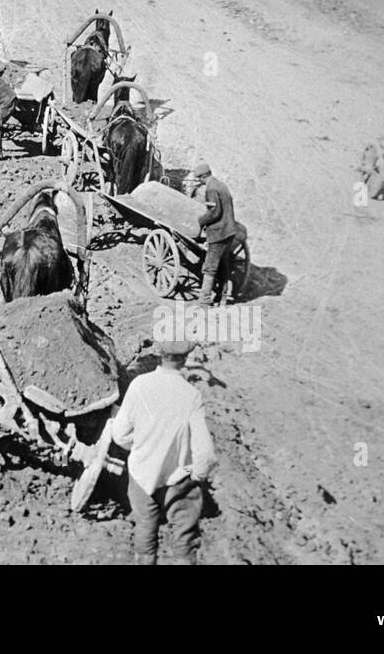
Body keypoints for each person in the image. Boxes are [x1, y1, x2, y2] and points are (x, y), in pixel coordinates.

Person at [109, 340, 216, 565]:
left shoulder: (139, 385)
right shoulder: (191, 395)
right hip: (178, 479)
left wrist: (138, 448)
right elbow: (204, 451)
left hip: (141, 475)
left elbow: (119, 434)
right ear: (186, 359)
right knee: (183, 540)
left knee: (145, 531)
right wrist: (198, 475)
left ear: (159, 355)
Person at [192, 161, 239, 307]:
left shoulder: (211, 189)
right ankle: (223, 297)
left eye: (199, 178)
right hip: (229, 231)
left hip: (218, 233)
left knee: (210, 266)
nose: (199, 182)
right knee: (224, 265)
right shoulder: (221, 185)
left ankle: (205, 300)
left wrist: (200, 221)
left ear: (204, 176)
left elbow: (214, 212)